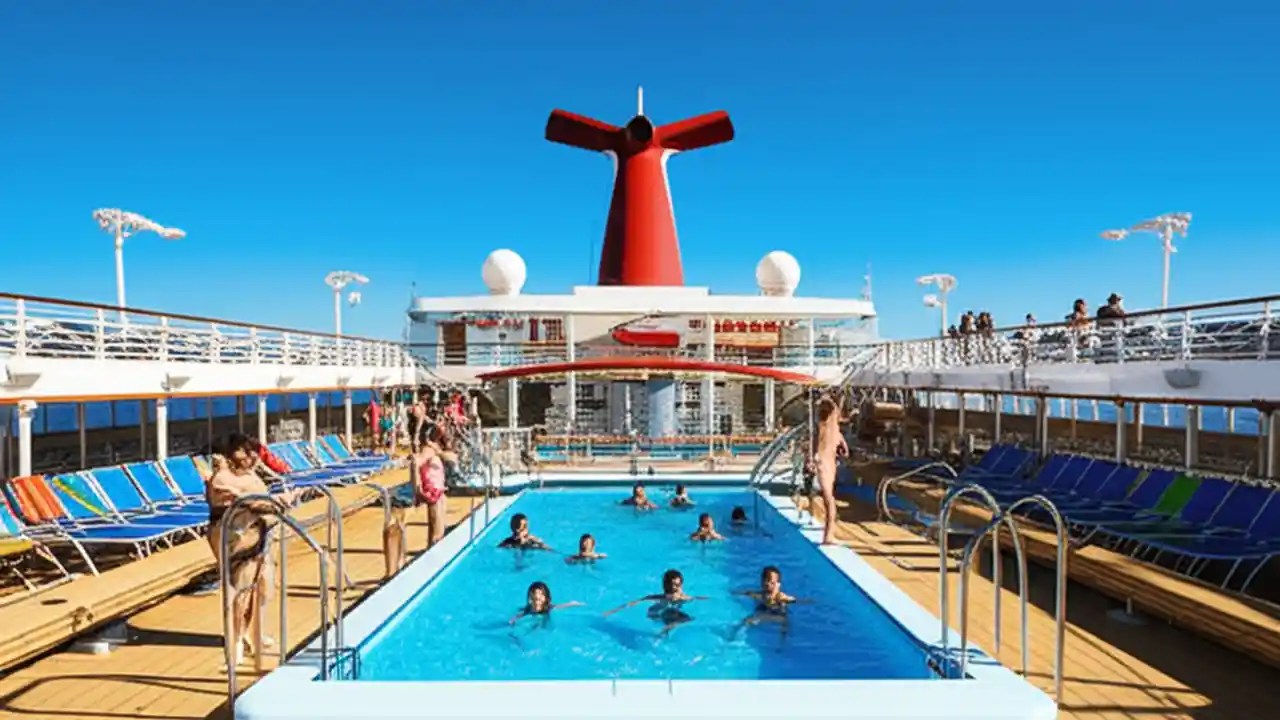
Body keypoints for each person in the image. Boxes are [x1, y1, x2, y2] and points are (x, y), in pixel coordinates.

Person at [206, 433, 300, 668]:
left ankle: (250, 632)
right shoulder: (222, 478)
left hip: (261, 534)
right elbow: (251, 502)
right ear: (229, 454)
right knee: (240, 592)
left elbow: (260, 500)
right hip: (237, 538)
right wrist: (281, 500)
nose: (250, 456)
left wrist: (280, 500)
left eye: (252, 451)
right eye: (243, 451)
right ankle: (235, 642)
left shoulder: (250, 474)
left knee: (264, 588)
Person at [603, 569, 708, 635]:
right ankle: (664, 631)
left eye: (676, 586)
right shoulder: (658, 597)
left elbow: (697, 601)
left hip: (676, 617)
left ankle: (666, 630)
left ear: (681, 586)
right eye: (669, 586)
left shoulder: (686, 598)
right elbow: (633, 603)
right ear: (664, 586)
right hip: (660, 616)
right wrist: (612, 611)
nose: (672, 589)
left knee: (682, 616)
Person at [733, 566, 806, 637]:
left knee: (785, 624)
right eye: (766, 581)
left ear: (778, 585)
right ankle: (735, 636)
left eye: (772, 583)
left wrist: (791, 600)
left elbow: (797, 601)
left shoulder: (780, 596)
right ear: (761, 582)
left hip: (777, 616)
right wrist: (736, 593)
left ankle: (783, 641)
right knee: (745, 621)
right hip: (763, 612)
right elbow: (747, 594)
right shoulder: (758, 595)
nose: (768, 584)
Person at [815, 393, 847, 545]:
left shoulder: (834, 425)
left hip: (829, 462)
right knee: (830, 501)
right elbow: (826, 406)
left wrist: (842, 445)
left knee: (830, 499)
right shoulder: (824, 423)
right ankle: (828, 535)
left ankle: (829, 533)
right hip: (823, 462)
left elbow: (838, 434)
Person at [412, 441, 448, 548]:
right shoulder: (428, 450)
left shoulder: (434, 449)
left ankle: (433, 548)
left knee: (439, 528)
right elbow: (415, 463)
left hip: (439, 491)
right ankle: (433, 551)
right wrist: (417, 489)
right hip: (432, 492)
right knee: (436, 530)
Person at [509, 581, 583, 625]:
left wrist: (572, 603)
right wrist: (513, 620)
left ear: (546, 599)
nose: (536, 603)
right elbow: (520, 615)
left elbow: (560, 606)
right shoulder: (528, 609)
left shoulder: (548, 608)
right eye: (534, 599)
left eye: (539, 599)